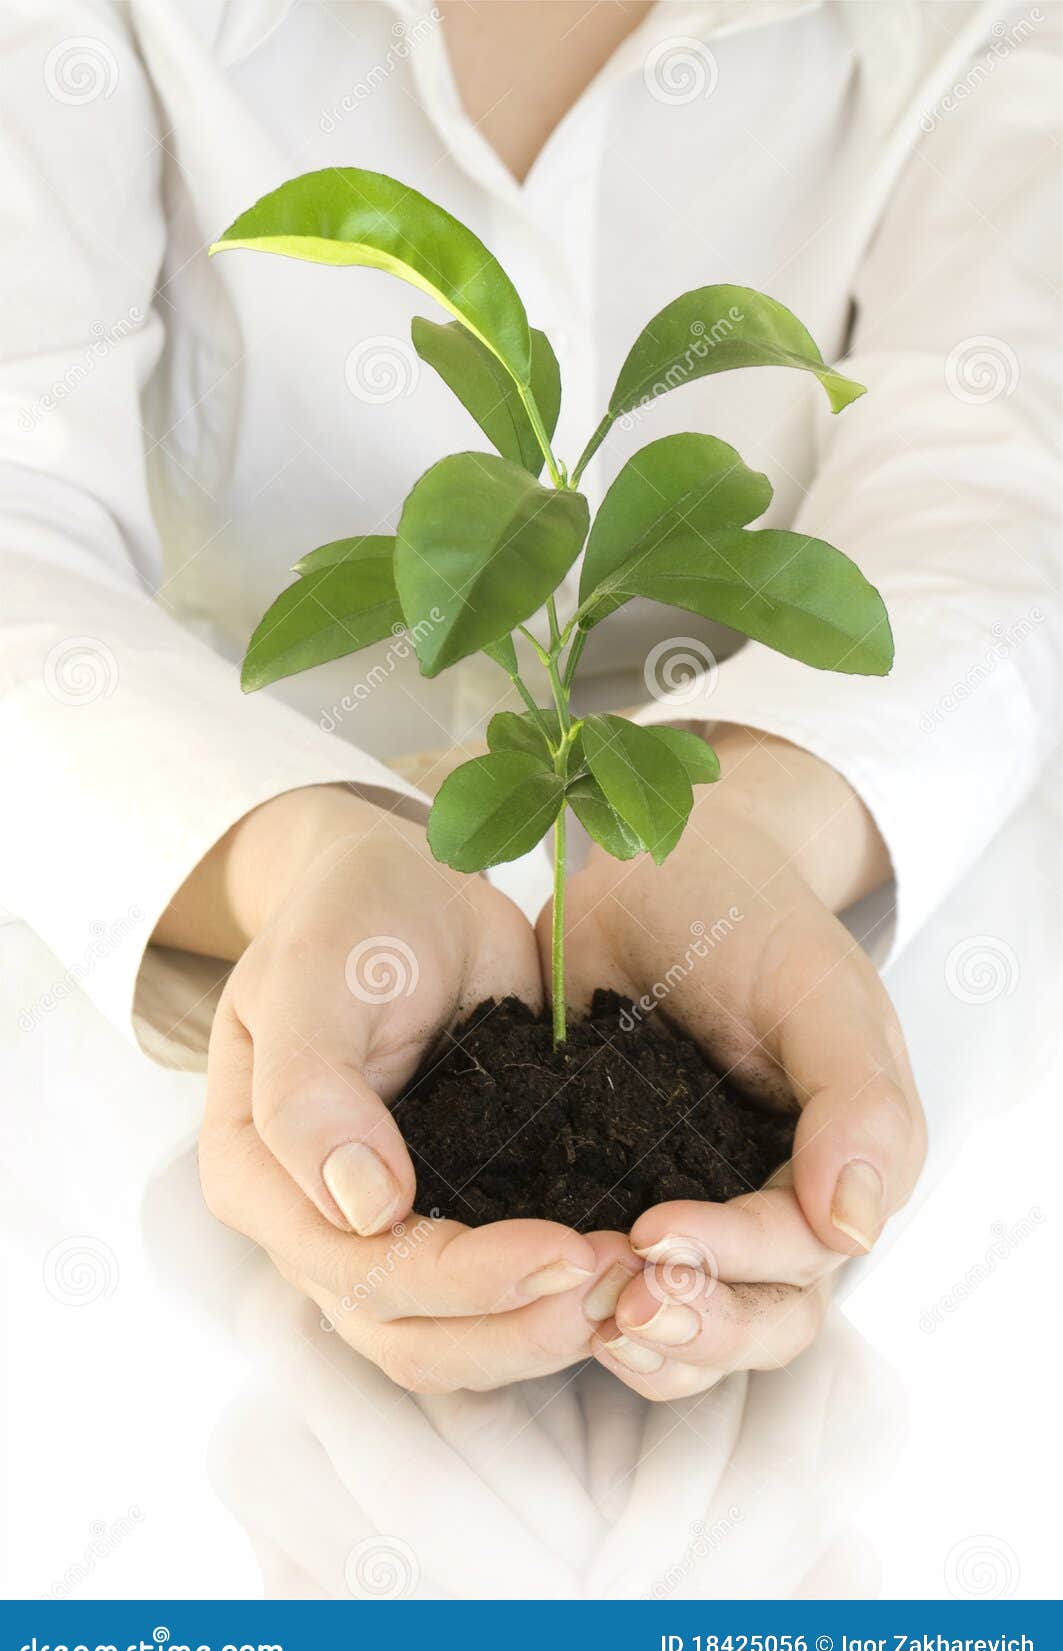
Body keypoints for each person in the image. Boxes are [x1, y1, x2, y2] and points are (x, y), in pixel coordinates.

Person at [3, 0, 1057, 1404]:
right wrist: (303, 850)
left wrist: (743, 828)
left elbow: (988, 492)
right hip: (185, 922)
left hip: (851, 921)